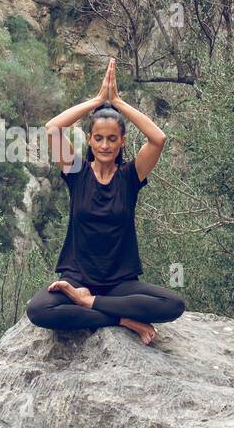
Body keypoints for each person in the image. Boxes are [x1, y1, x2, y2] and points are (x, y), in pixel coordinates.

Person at [26, 58, 185, 345]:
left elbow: (158, 138)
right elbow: (52, 128)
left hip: (120, 283)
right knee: (38, 310)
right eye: (98, 138)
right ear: (89, 139)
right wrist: (98, 101)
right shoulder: (77, 173)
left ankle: (90, 304)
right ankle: (120, 319)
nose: (104, 145)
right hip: (77, 277)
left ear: (122, 141)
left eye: (112, 139)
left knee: (173, 304)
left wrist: (118, 102)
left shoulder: (129, 177)